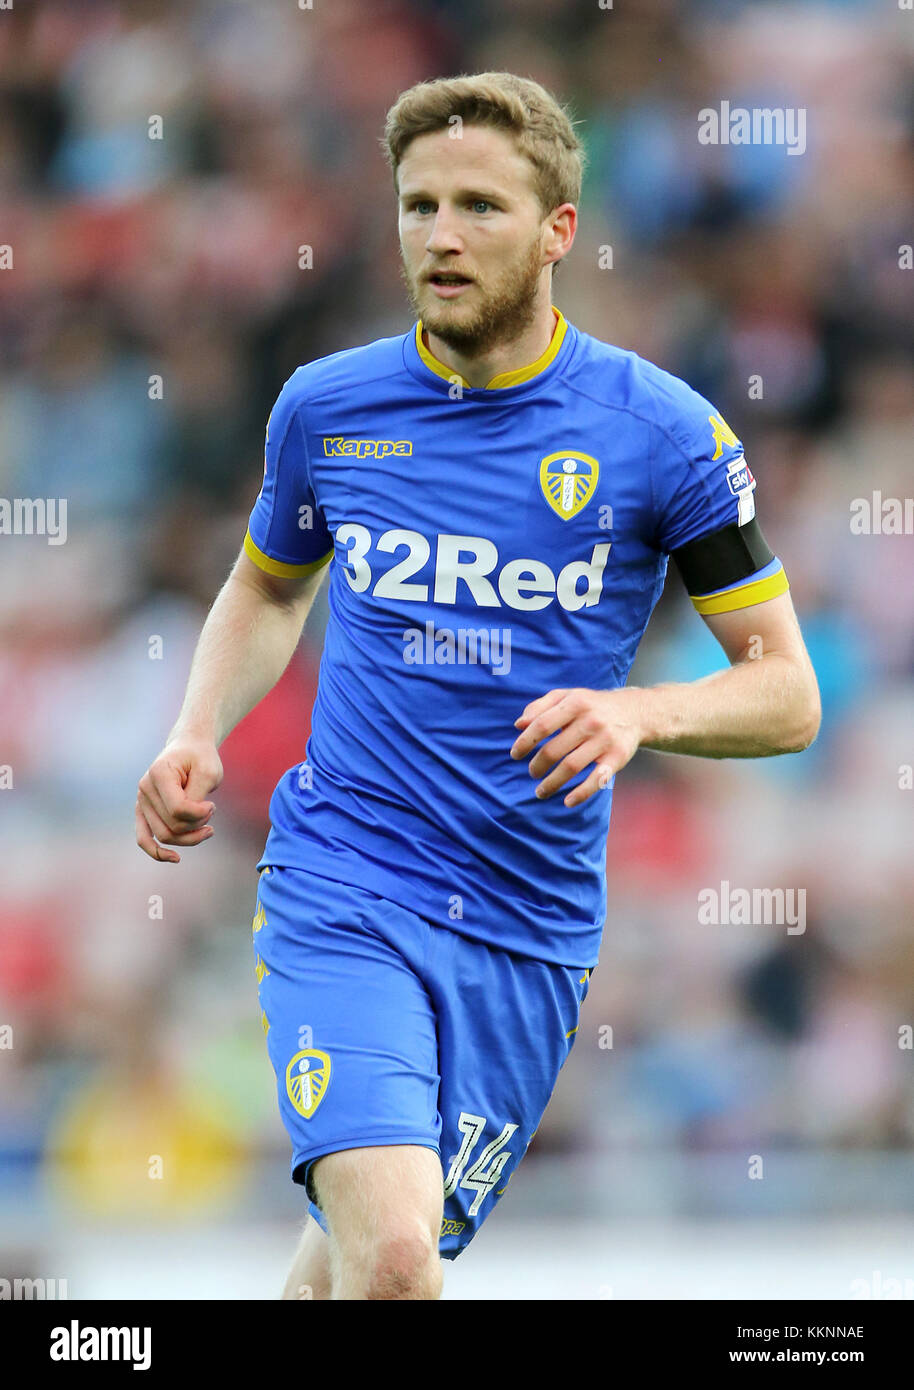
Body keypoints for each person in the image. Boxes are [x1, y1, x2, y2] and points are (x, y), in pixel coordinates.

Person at [135, 72, 821, 1300]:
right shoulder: (330, 409)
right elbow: (269, 586)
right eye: (417, 205)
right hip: (347, 876)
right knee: (396, 1260)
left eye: (478, 208)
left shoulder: (660, 434)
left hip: (527, 932)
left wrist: (636, 711)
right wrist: (195, 729)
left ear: (557, 229)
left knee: (345, 1275)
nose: (439, 237)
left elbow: (786, 693)